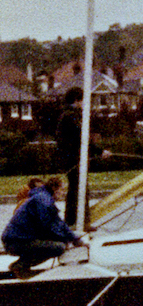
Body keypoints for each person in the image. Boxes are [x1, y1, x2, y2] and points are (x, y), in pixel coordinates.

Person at [3, 176, 87, 278]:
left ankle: (22, 266)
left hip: (18, 239)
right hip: (16, 242)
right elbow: (46, 227)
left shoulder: (44, 198)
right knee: (59, 247)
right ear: (54, 189)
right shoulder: (43, 201)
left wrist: (75, 239)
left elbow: (60, 224)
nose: (63, 193)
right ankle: (21, 266)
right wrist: (65, 240)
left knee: (58, 243)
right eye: (62, 189)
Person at [56, 87, 84, 227]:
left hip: (70, 158)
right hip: (72, 158)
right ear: (77, 100)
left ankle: (76, 219)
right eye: (83, 100)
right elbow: (80, 138)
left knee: (77, 187)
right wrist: (99, 151)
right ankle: (72, 221)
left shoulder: (69, 115)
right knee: (77, 187)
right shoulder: (70, 116)